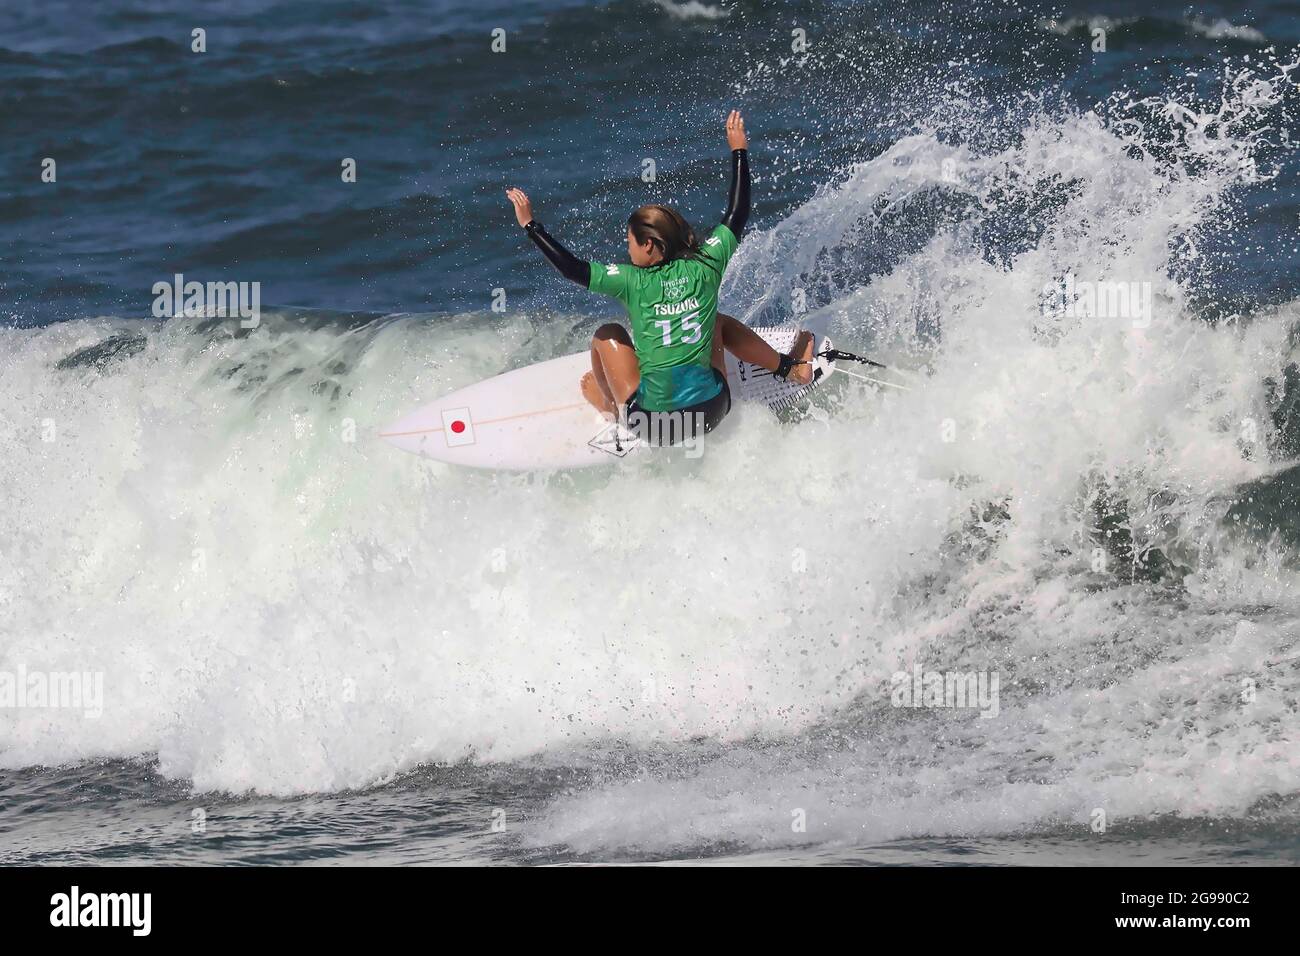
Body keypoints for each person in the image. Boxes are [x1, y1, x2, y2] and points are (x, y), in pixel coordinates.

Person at [505, 110, 813, 443]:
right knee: (718, 323)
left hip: (651, 426)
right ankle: (791, 369)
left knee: (607, 333)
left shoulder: (629, 280)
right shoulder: (706, 264)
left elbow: (570, 268)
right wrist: (739, 150)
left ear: (650, 244)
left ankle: (609, 406)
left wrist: (530, 225)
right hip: (712, 411)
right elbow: (737, 214)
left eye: (630, 240)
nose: (626, 246)